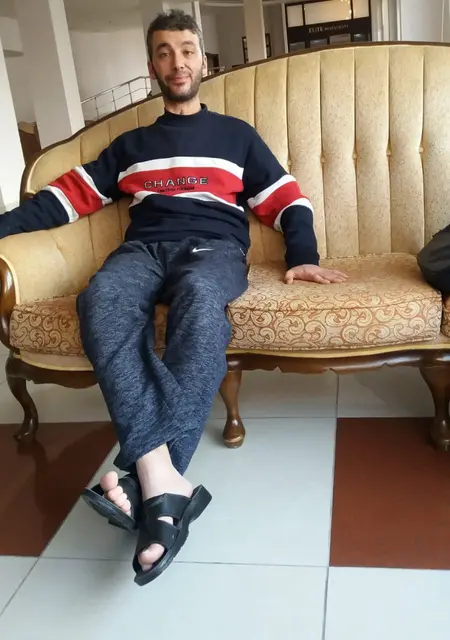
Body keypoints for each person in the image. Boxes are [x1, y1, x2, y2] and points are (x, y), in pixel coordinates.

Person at [0, 10, 347, 586]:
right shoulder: (131, 145)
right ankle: (163, 483)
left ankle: (146, 479)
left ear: (202, 61)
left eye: (186, 50)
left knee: (201, 304)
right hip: (143, 250)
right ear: (152, 67)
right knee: (100, 299)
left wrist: (301, 256)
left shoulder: (236, 136)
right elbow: (64, 199)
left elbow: (290, 201)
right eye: (164, 53)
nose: (177, 62)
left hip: (213, 250)